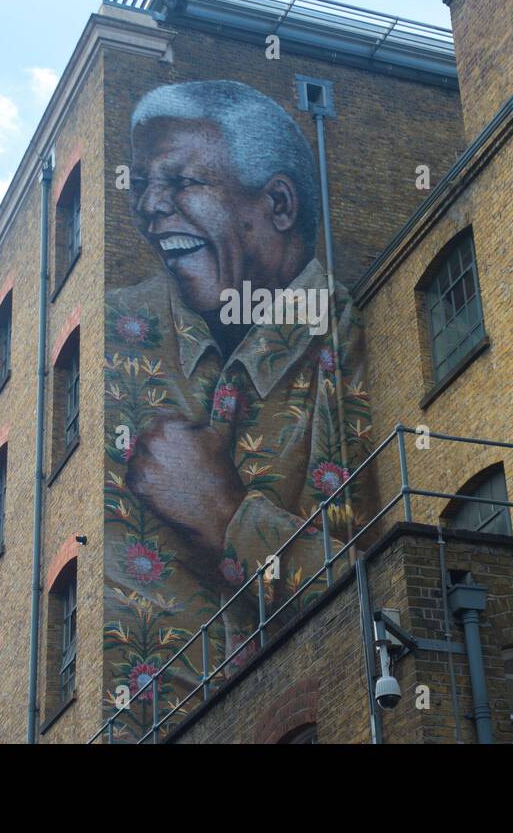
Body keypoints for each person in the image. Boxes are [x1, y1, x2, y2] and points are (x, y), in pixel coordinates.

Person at [102, 80, 373, 732]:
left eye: (182, 181)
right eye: (141, 183)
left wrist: (226, 517)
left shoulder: (342, 335)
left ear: (278, 203)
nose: (148, 206)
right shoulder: (115, 327)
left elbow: (366, 602)